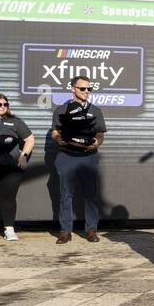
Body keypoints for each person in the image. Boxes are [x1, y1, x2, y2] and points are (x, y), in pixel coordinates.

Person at [51, 74, 106, 243]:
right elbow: (55, 132)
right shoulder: (61, 110)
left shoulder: (95, 110)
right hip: (66, 156)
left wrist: (96, 142)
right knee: (65, 194)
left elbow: (100, 133)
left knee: (91, 194)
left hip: (88, 157)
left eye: (89, 89)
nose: (86, 92)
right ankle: (65, 231)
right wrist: (59, 139)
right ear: (73, 89)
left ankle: (91, 230)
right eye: (83, 88)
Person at [0, 93, 34, 241]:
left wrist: (24, 156)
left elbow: (30, 139)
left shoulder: (16, 122)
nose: (2, 107)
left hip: (10, 166)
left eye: (5, 104)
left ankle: (9, 229)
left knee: (8, 197)